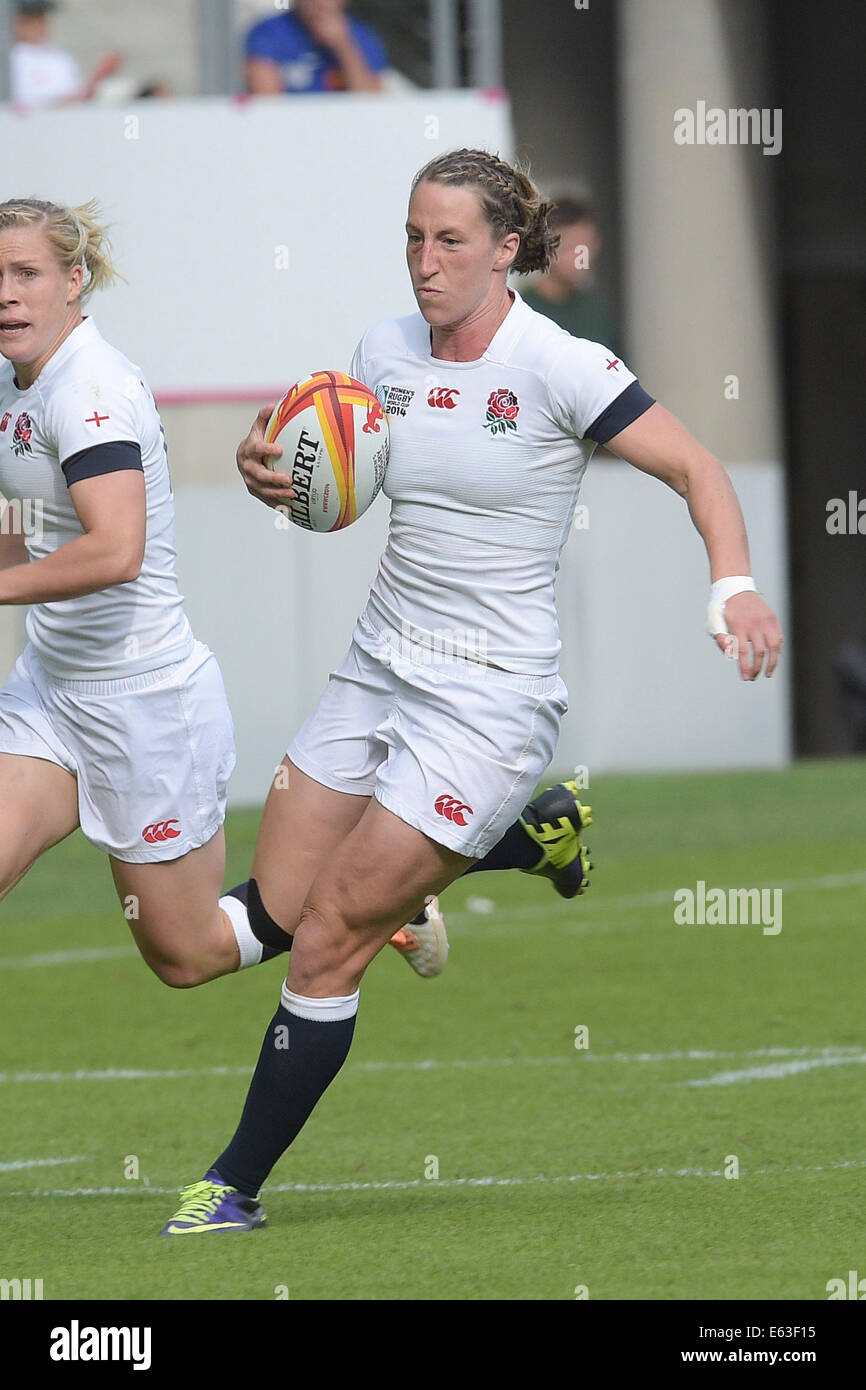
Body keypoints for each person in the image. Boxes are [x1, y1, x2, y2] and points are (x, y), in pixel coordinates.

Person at [160, 147, 783, 1234]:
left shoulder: (559, 366)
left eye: (450, 240)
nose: (424, 261)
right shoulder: (381, 349)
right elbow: (339, 481)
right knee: (276, 906)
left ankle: (232, 1184)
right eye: (411, 235)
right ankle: (529, 839)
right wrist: (282, 478)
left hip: (488, 700)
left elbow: (698, 468)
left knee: (334, 932)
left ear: (506, 250)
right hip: (375, 666)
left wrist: (730, 584)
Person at [0, 196, 585, 997]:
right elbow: (21, 538)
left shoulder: (87, 392)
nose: (6, 291)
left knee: (191, 954)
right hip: (49, 693)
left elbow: (115, 549)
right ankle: (395, 892)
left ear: (73, 281)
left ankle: (468, 862)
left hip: (143, 705)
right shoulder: (15, 390)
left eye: (24, 273)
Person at [522, 195, 623, 359]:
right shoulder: (523, 311)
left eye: (585, 246)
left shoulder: (596, 309)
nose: (579, 258)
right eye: (568, 248)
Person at [244, 0, 387, 95]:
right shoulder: (268, 33)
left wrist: (344, 46)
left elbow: (370, 102)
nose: (319, 3)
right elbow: (266, 104)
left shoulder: (363, 37)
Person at [10, 0, 122, 111]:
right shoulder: (9, 60)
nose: (40, 24)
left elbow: (76, 101)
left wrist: (97, 79)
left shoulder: (61, 58)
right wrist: (95, 80)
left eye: (42, 18)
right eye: (31, 19)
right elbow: (29, 107)